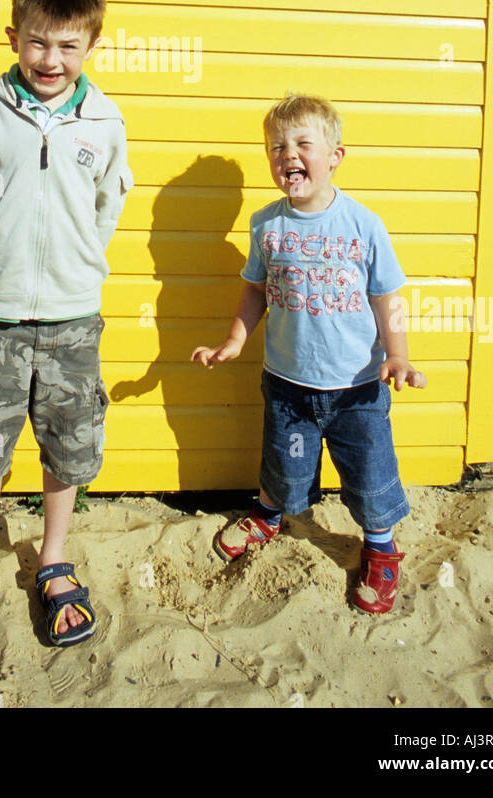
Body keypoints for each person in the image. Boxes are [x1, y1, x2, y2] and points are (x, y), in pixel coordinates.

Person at [0, 0, 132, 662]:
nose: (52, 60)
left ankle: (52, 559)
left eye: (68, 46)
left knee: (68, 438)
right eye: (39, 43)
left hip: (73, 316)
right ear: (15, 36)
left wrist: (74, 271)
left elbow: (107, 205)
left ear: (91, 47)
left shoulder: (105, 119)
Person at [191, 92, 426, 614]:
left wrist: (399, 354)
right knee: (283, 467)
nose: (287, 155)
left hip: (358, 388)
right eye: (276, 147)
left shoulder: (364, 226)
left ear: (335, 155)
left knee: (369, 473)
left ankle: (382, 550)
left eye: (302, 144)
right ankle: (269, 517)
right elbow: (254, 291)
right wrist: (234, 340)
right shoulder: (265, 226)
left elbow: (387, 295)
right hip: (289, 385)